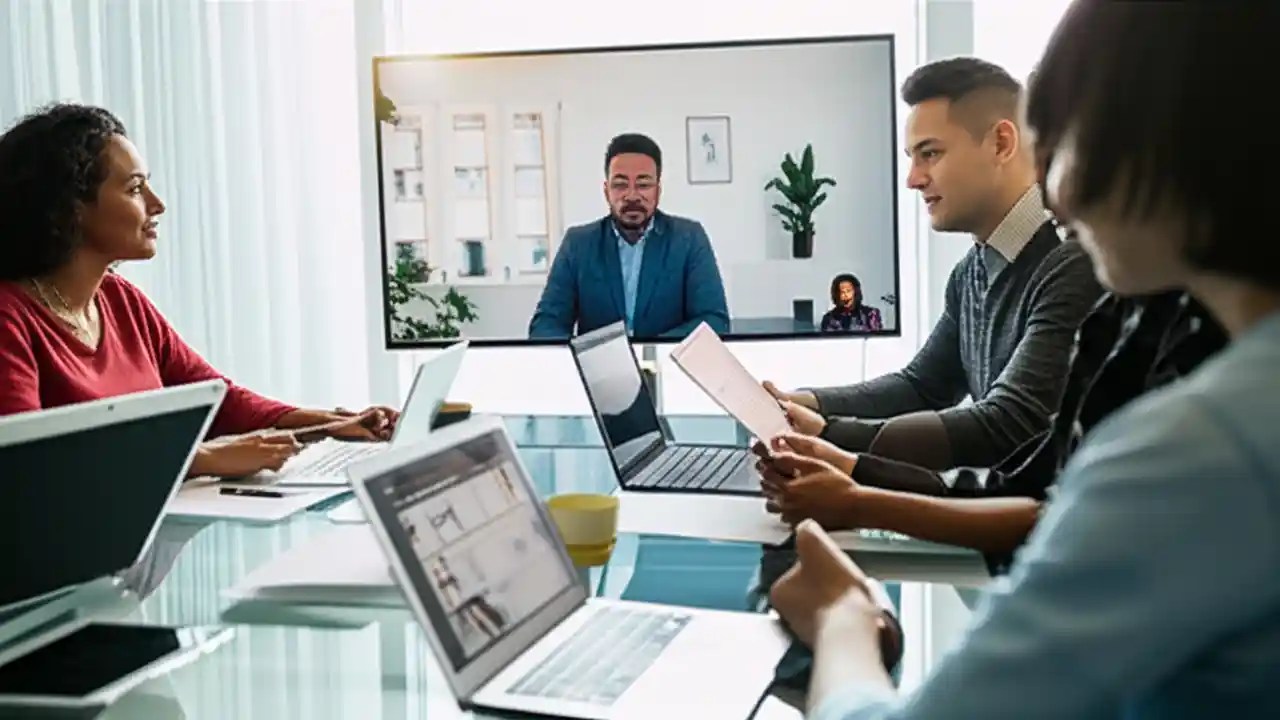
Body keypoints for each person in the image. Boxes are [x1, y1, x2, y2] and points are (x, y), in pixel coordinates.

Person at [769, 2, 1280, 717]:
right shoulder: (1170, 342)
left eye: (1066, 146)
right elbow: (990, 444)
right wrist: (834, 438)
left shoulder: (1199, 443)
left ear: (1175, 139)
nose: (1058, 193)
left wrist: (844, 620)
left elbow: (1019, 449)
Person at [0, 104, 397, 478]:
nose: (157, 204)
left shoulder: (122, 300)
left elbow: (219, 401)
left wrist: (329, 423)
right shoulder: (9, 318)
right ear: (70, 207)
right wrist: (201, 459)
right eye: (135, 189)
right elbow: (25, 466)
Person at [766, 57, 1101, 472]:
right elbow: (922, 386)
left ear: (1001, 143)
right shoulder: (970, 273)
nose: (913, 178)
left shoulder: (1072, 265)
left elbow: (1009, 425)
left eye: (930, 154)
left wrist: (829, 434)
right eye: (913, 157)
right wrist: (804, 403)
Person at [762, 290, 1226, 572]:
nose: (913, 179)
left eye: (929, 158)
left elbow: (1015, 446)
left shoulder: (1079, 275)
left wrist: (855, 489)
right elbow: (1019, 486)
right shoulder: (1123, 308)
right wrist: (843, 455)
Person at [527, 133, 729, 339]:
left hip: (668, 359)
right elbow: (545, 325)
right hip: (598, 361)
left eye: (643, 185)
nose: (632, 196)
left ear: (658, 190)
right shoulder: (578, 245)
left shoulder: (688, 239)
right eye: (620, 185)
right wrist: (586, 352)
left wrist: (651, 350)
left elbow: (714, 320)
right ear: (606, 191)